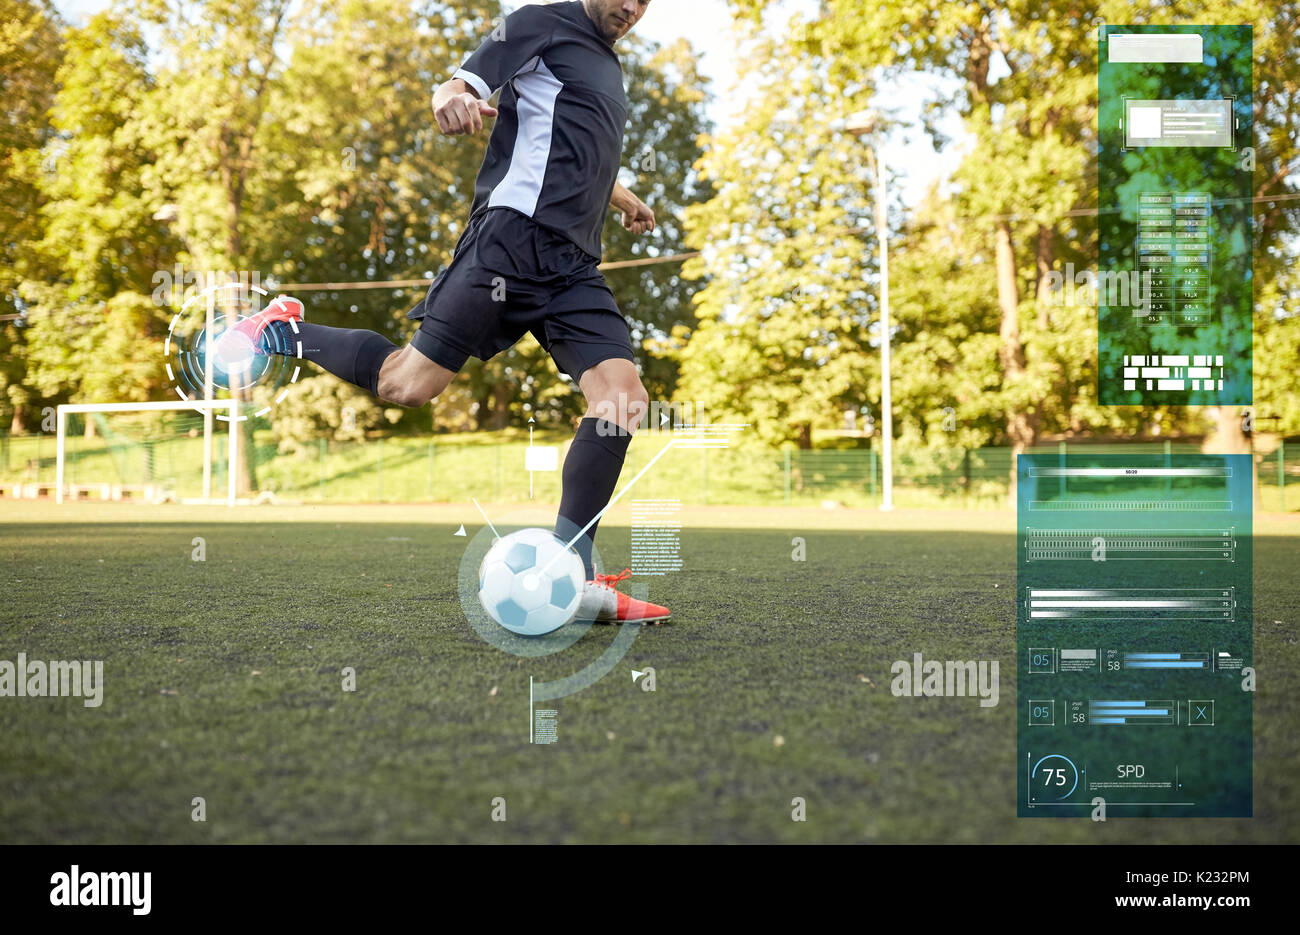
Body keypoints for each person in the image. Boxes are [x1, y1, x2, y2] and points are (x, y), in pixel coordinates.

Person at [226, 0, 668, 623]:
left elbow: (575, 148)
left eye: (645, 0)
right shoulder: (540, 22)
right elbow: (460, 84)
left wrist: (623, 198)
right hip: (510, 243)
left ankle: (572, 575)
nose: (631, 7)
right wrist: (452, 98)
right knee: (405, 385)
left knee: (621, 400)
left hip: (573, 267)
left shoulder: (607, 65)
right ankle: (280, 330)